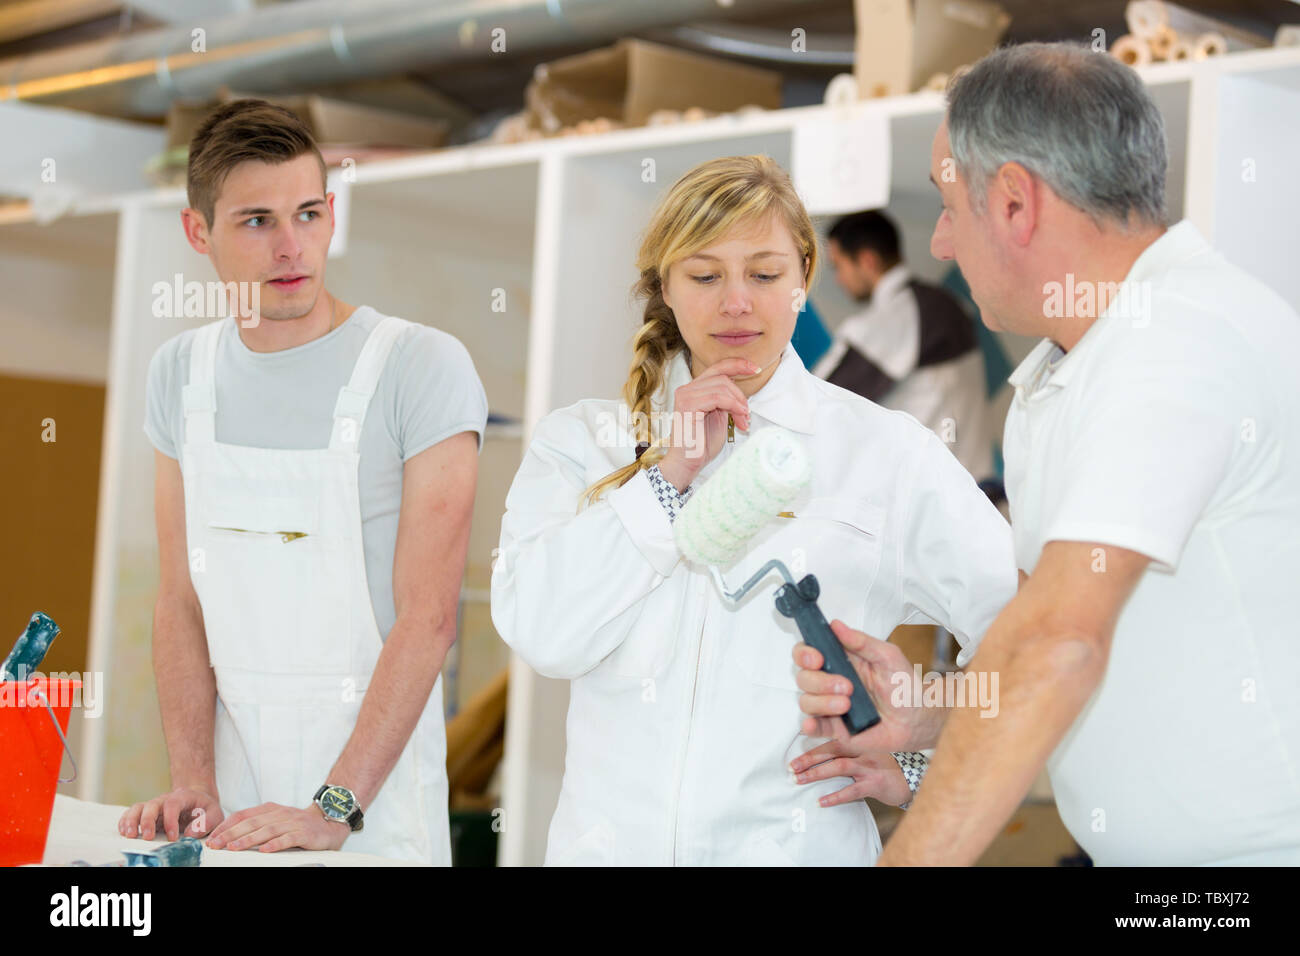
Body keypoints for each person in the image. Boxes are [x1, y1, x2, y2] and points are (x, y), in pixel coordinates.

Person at [794, 42, 1300, 865]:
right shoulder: (1064, 375)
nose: (946, 244)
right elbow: (1050, 650)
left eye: (950, 209)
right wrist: (925, 717)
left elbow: (1059, 645)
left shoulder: (1174, 344)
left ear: (1017, 203)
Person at [489, 155, 1017, 865]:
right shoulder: (583, 442)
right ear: (664, 288)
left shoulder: (884, 454)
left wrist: (922, 746)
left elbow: (1036, 644)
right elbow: (542, 632)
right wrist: (670, 475)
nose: (737, 302)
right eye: (705, 276)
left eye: (765, 275)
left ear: (803, 280)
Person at [119, 99, 488, 863]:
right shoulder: (179, 376)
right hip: (233, 812)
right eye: (256, 221)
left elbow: (428, 620)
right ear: (198, 233)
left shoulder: (419, 367)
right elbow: (179, 600)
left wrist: (335, 807)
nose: (292, 246)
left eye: (309, 213)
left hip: (371, 814)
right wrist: (192, 782)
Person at [814, 210, 992, 478]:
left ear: (867, 260)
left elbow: (817, 403)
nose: (838, 279)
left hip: (932, 496)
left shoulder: (896, 317)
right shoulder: (949, 304)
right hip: (973, 486)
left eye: (838, 267)